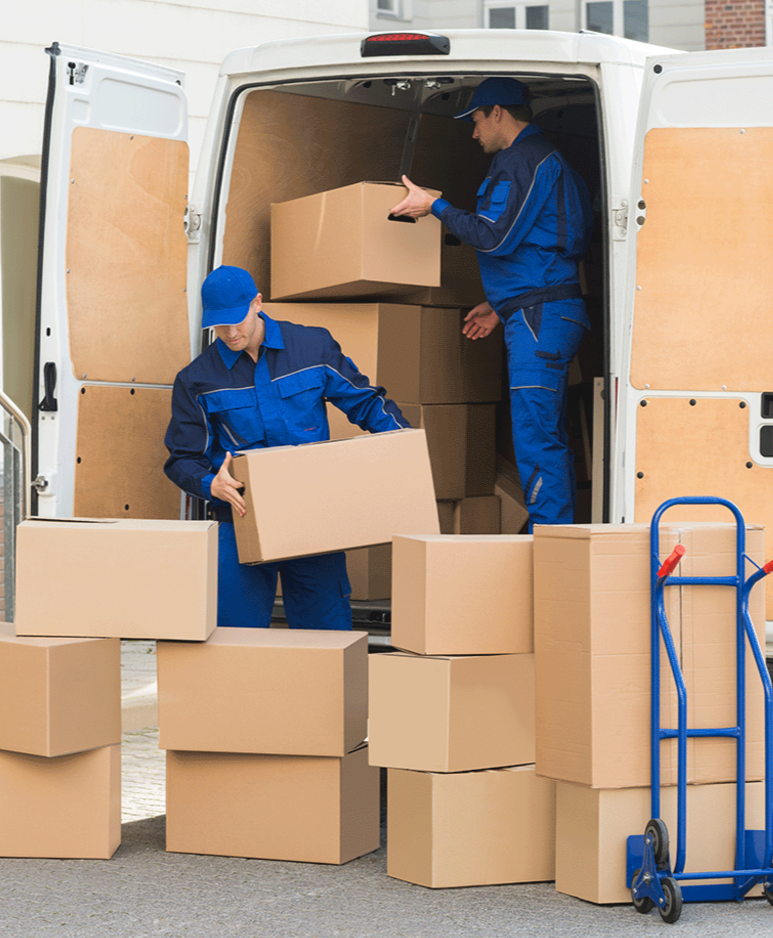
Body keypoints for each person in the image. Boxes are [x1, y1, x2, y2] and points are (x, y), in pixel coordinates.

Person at [389, 77, 594, 528]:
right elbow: (542, 244)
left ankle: (550, 542)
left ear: (498, 113)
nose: (474, 132)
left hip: (541, 318)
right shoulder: (549, 159)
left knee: (536, 437)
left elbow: (493, 236)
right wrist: (500, 306)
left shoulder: (521, 159)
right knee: (544, 432)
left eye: (477, 120)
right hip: (543, 310)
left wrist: (434, 206)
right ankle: (557, 538)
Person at [164, 265, 411, 630]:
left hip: (313, 515)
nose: (231, 334)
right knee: (234, 634)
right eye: (219, 325)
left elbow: (366, 403)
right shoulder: (197, 379)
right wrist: (209, 484)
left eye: (237, 321)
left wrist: (405, 448)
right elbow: (182, 458)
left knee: (325, 633)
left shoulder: (312, 347)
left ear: (257, 303)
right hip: (241, 517)